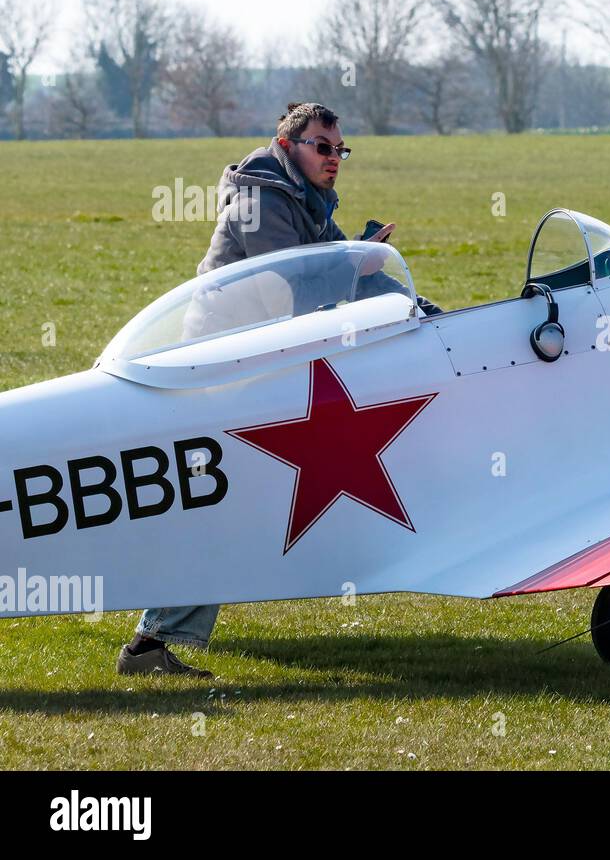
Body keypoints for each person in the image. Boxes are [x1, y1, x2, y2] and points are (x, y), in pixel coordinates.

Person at [116, 102, 437, 677]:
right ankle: (152, 640)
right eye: (322, 146)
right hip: (217, 375)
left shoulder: (305, 198)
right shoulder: (261, 201)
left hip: (255, 366)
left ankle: (163, 635)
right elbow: (286, 296)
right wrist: (355, 269)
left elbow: (340, 274)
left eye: (340, 149)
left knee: (237, 497)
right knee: (221, 499)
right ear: (287, 145)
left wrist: (422, 310)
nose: (334, 159)